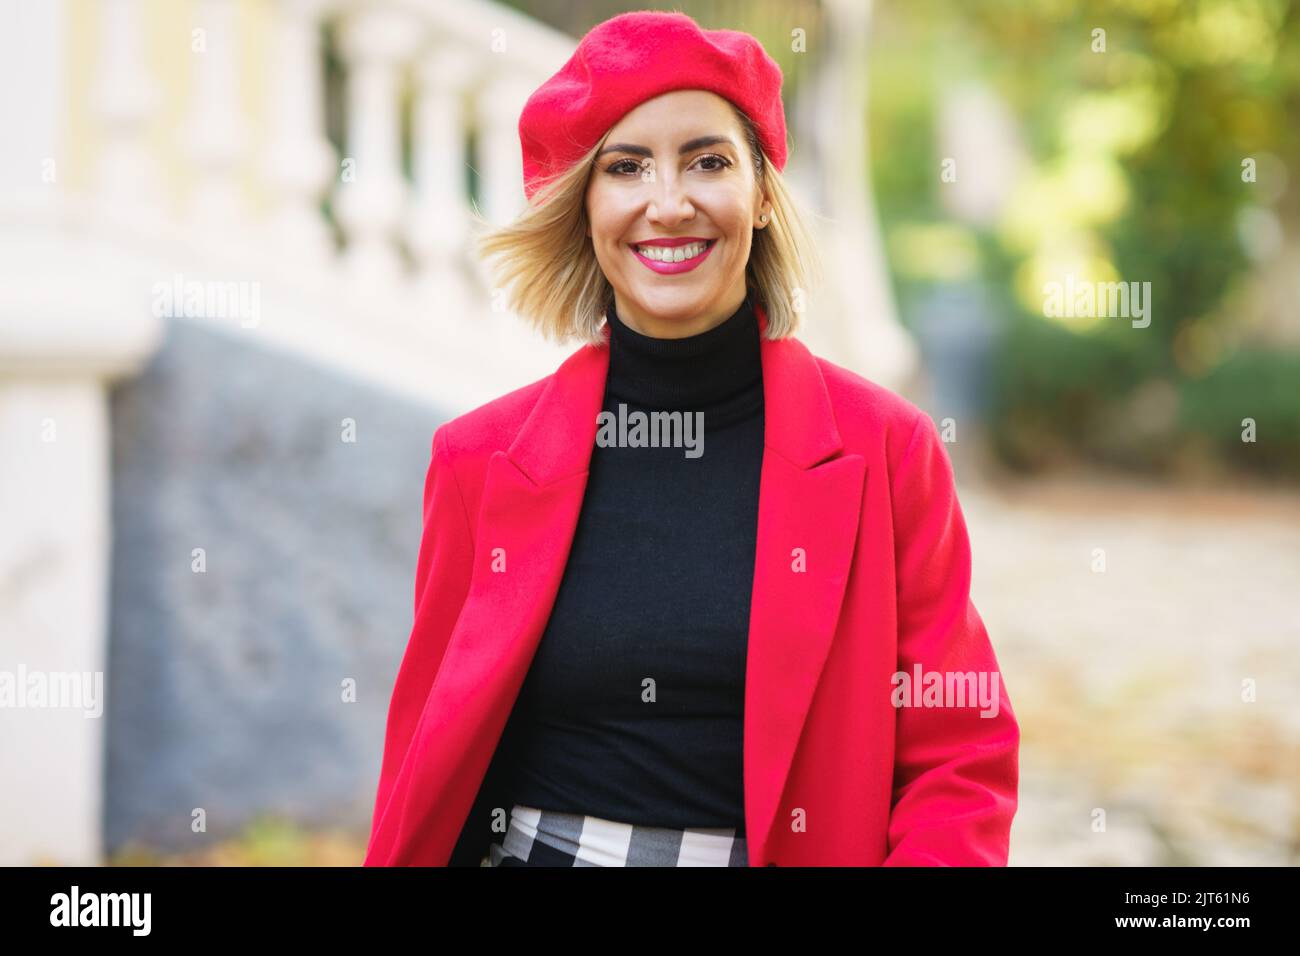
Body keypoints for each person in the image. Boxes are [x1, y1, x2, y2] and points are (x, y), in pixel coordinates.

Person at [364, 10, 1019, 868]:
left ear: (762, 199)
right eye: (626, 167)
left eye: (708, 161)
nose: (668, 205)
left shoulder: (886, 452)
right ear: (584, 209)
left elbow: (958, 749)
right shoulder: (476, 463)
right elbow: (426, 759)